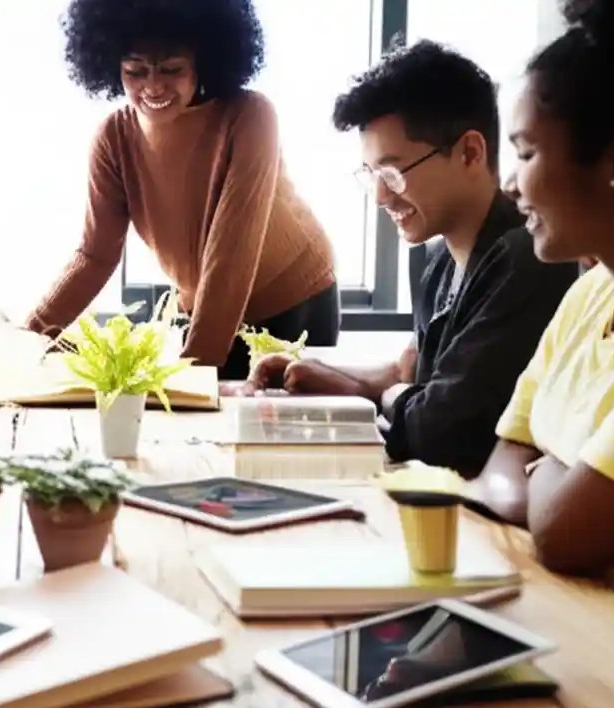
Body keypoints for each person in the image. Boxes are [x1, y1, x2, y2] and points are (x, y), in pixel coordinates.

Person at [246, 41, 579, 478]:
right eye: (371, 176)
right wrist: (318, 370)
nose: (381, 196)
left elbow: (439, 428)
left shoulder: (526, 258)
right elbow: (413, 374)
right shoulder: (437, 258)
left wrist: (377, 393)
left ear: (470, 153)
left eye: (392, 173)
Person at [0, 0, 339, 380]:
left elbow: (232, 246)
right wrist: (26, 338)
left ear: (203, 60)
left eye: (172, 69)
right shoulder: (113, 139)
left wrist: (192, 371)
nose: (153, 86)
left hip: (293, 300)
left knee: (256, 427)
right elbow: (95, 254)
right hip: (206, 307)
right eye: (135, 71)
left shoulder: (250, 116)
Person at [472, 0, 614, 617]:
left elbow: (563, 534)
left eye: (526, 153)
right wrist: (557, 471)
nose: (510, 184)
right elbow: (501, 459)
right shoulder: (589, 294)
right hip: (571, 632)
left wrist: (544, 468)